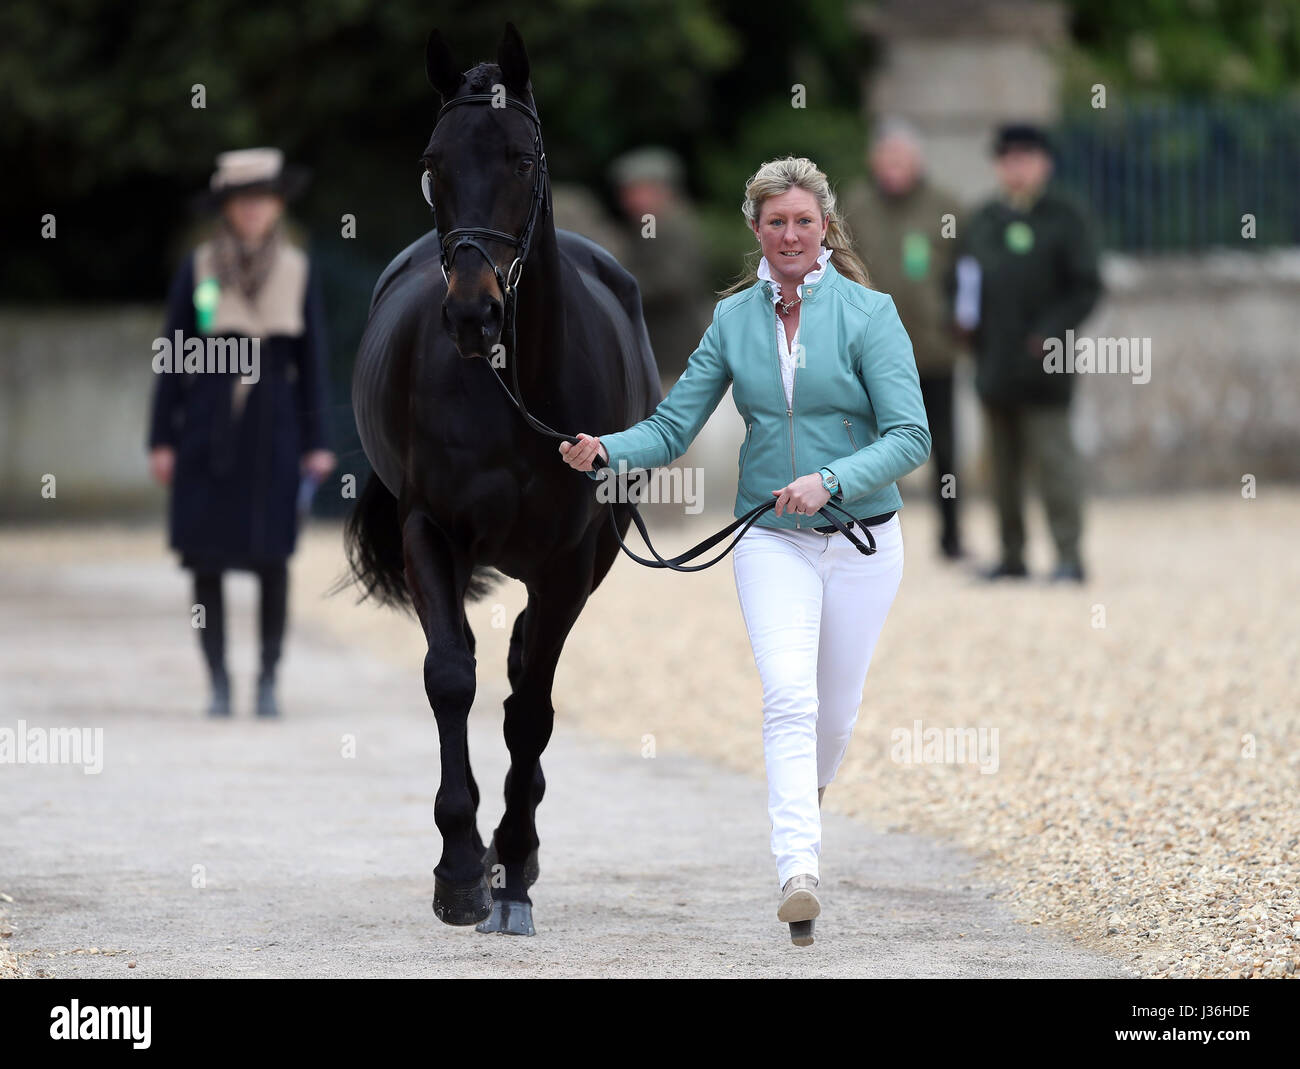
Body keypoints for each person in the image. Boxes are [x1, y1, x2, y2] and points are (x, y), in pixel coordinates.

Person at [559, 156, 930, 946]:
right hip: (770, 539)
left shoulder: (871, 314)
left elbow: (911, 436)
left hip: (865, 542)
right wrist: (608, 450)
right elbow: (671, 425)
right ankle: (798, 868)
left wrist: (831, 478)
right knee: (788, 698)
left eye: (802, 221)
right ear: (755, 228)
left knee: (835, 712)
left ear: (823, 225)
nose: (790, 234)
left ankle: (810, 797)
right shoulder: (732, 321)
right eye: (775, 222)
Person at [147, 148, 336, 718]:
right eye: (242, 202)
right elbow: (173, 354)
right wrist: (161, 437)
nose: (253, 211)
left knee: (272, 557)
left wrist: (318, 441)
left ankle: (269, 679)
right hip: (206, 427)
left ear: (278, 205)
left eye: (263, 200)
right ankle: (219, 681)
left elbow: (315, 360)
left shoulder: (299, 270)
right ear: (227, 208)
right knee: (206, 559)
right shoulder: (199, 267)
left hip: (273, 429)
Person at [948, 123, 1102, 582]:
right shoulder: (983, 221)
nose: (1016, 168)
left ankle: (1069, 555)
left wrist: (1049, 332)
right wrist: (960, 322)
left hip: (1046, 363)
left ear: (1044, 164)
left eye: (1026, 158)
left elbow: (1085, 287)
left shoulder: (1066, 217)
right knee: (1001, 467)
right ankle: (1011, 555)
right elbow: (961, 282)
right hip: (993, 361)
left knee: (1054, 461)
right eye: (1008, 159)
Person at [841, 119, 965, 559]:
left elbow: (965, 272)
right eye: (886, 158)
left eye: (902, 159)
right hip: (867, 351)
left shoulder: (945, 206)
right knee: (863, 445)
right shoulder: (854, 206)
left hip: (932, 347)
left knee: (943, 445)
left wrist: (958, 320)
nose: (893, 168)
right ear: (874, 161)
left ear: (917, 162)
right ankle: (863, 534)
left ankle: (952, 537)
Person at [608, 146, 712, 387]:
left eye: (633, 191)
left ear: (659, 190)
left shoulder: (673, 225)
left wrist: (620, 286)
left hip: (671, 352)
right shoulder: (651, 223)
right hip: (658, 350)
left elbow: (673, 282)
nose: (626, 200)